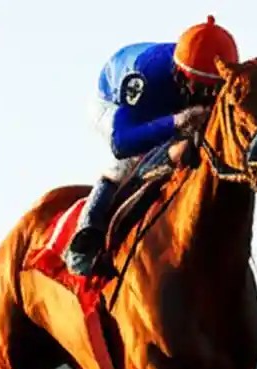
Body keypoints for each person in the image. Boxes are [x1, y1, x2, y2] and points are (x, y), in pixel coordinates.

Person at [63, 16, 239, 278]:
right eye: (203, 88)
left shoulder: (207, 79)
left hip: (169, 99)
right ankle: (87, 235)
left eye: (216, 89)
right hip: (116, 103)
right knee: (128, 162)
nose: (209, 95)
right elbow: (122, 143)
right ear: (182, 75)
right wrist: (177, 122)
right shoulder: (146, 77)